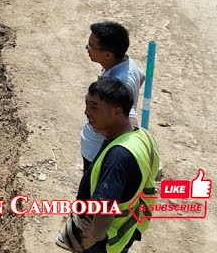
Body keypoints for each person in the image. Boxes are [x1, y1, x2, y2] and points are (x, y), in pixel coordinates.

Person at [56, 78, 160, 253]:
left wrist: (96, 234)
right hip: (126, 230)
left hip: (103, 243)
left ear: (117, 112)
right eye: (86, 104)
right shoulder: (141, 135)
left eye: (94, 107)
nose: (86, 112)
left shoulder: (118, 157)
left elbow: (105, 207)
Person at [80, 22, 146, 183]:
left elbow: (130, 121)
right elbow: (141, 76)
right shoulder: (126, 63)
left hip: (98, 153)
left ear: (108, 55)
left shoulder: (119, 82)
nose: (87, 48)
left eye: (91, 46)